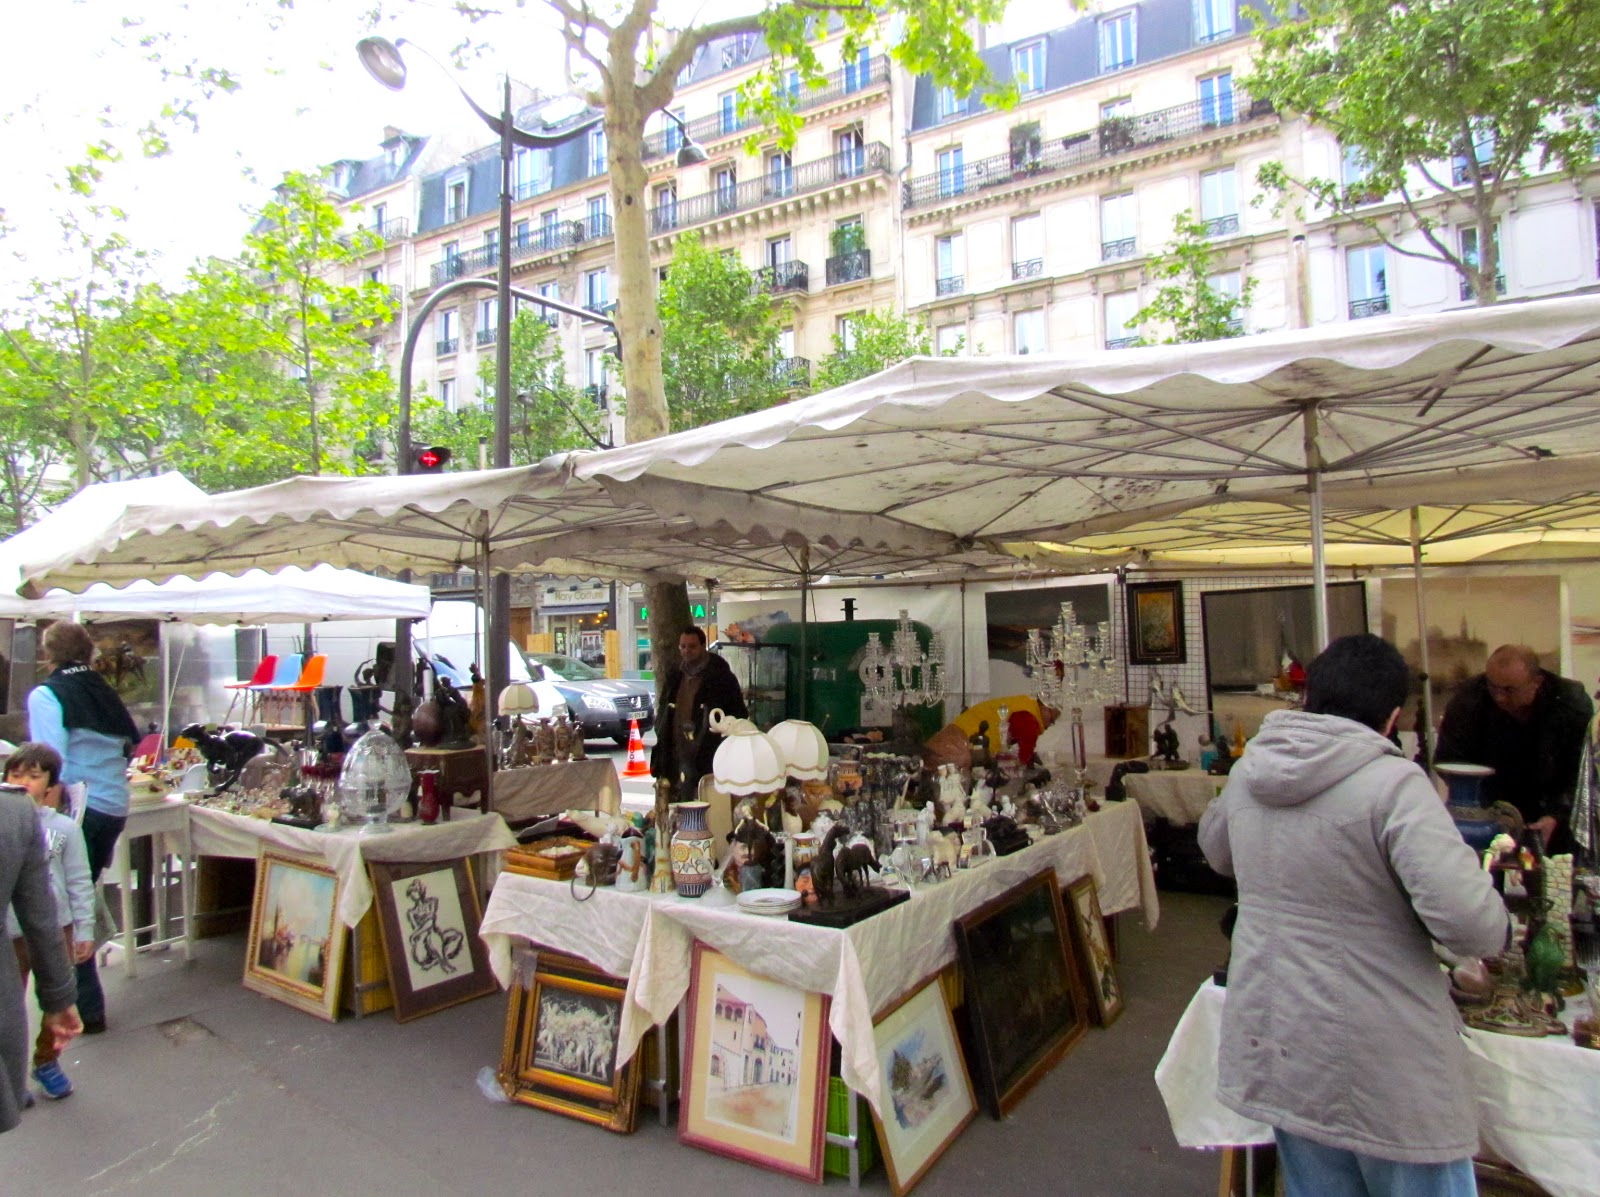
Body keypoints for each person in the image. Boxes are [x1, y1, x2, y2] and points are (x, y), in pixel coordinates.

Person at [1198, 634, 1509, 1197]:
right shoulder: (1394, 785)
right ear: (1392, 717)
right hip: (1386, 1057)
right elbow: (1474, 928)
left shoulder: (1252, 772)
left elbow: (1217, 854)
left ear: (1310, 698)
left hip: (1283, 1036)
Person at [28, 621, 139, 1035]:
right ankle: (80, 1004)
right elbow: (128, 746)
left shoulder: (48, 694)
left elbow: (47, 765)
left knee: (63, 906)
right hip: (113, 806)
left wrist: (43, 822)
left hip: (79, 808)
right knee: (80, 896)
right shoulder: (103, 689)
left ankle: (79, 1007)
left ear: (48, 654)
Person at [1434, 643, 1592, 852]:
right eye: (1493, 687)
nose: (1499, 697)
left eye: (1509, 690)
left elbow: (1582, 772)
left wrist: (1558, 815)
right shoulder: (1469, 699)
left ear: (1536, 682)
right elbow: (1450, 759)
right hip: (1489, 808)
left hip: (1553, 808)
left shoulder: (1570, 703)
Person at [5, 744, 93, 1101]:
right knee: (10, 1005)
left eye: (34, 775)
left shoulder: (65, 829)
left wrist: (84, 929)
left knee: (56, 998)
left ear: (51, 784)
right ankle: (11, 1078)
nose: (24, 781)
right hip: (10, 932)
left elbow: (79, 881)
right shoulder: (5, 825)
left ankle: (47, 1060)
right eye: (16, 774)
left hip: (58, 928)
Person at [648, 627, 747, 802]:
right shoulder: (675, 675)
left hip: (707, 752)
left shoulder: (721, 678)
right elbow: (664, 709)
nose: (687, 651)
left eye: (692, 646)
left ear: (703, 646)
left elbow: (738, 715)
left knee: (704, 806)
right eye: (683, 646)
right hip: (675, 750)